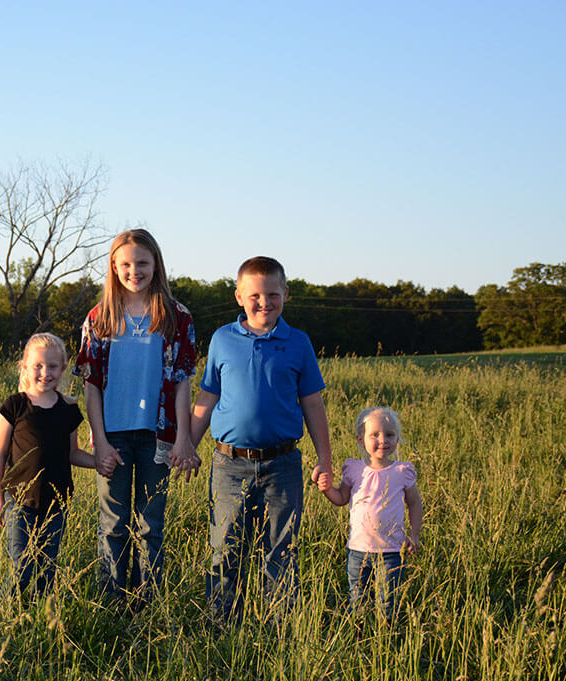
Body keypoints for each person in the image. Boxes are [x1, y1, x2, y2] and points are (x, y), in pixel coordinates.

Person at [188, 256, 333, 625]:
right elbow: (207, 398)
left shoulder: (298, 342)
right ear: (239, 296)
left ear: (286, 294)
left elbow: (312, 403)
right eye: (254, 295)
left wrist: (325, 459)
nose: (264, 302)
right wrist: (186, 445)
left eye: (272, 294)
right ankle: (222, 626)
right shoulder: (223, 339)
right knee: (225, 547)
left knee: (281, 549)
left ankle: (279, 626)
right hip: (229, 464)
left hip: (283, 464)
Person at [74, 229, 198, 608]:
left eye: (142, 262)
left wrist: (184, 439)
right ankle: (111, 604)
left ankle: (149, 602)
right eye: (125, 264)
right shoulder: (99, 318)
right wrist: (100, 440)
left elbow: (181, 383)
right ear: (113, 267)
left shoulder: (176, 317)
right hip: (113, 436)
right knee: (113, 524)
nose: (134, 271)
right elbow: (91, 386)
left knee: (151, 524)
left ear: (156, 263)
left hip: (158, 436)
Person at [0, 333, 95, 598]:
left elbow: (73, 453)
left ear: (62, 368)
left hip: (56, 503)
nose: (45, 372)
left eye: (52, 366)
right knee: (21, 567)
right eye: (37, 365)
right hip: (19, 501)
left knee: (47, 568)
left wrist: (98, 462)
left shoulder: (69, 410)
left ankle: (42, 619)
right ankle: (10, 615)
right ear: (24, 367)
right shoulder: (14, 406)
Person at [316, 406, 423, 620]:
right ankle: (359, 638)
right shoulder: (355, 469)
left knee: (388, 603)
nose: (383, 440)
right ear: (360, 439)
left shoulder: (402, 471)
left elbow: (414, 503)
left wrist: (414, 534)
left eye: (390, 435)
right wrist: (327, 489)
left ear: (397, 439)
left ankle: (386, 639)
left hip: (392, 551)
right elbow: (341, 499)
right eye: (375, 435)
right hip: (358, 551)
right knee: (358, 601)